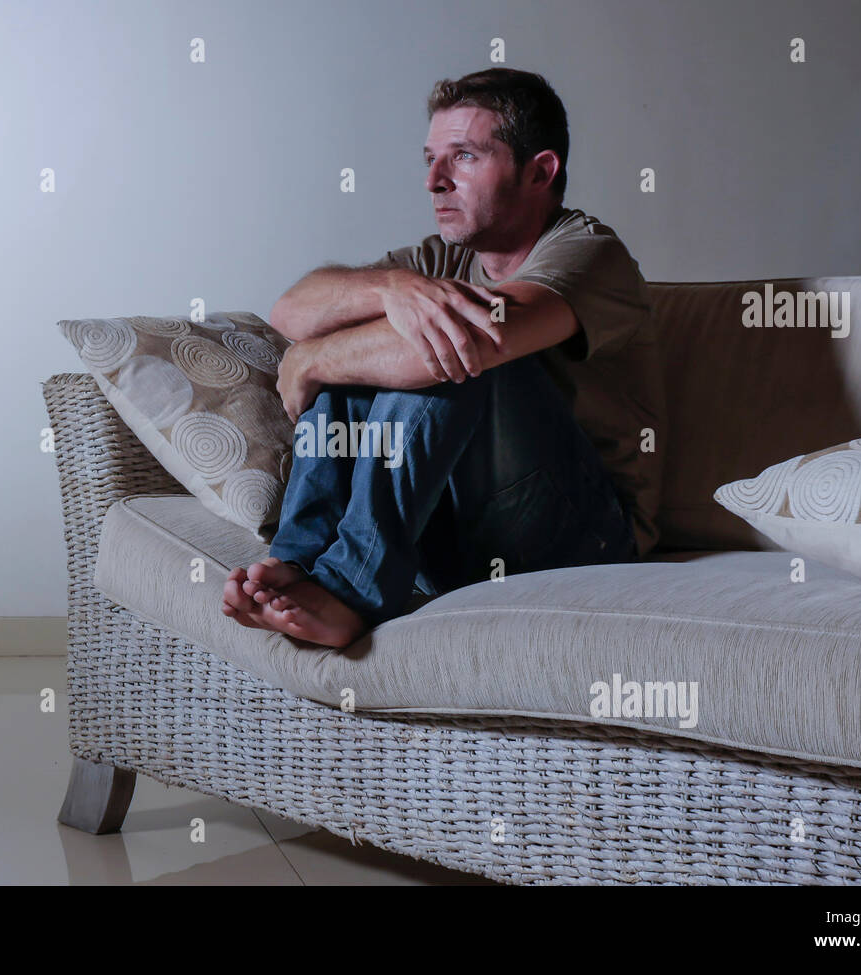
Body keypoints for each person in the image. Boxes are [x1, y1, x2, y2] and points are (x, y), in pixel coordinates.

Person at [221, 67, 665, 648]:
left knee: (448, 343)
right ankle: (300, 562)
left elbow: (464, 343)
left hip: (583, 541)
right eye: (430, 159)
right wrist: (388, 290)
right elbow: (291, 310)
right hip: (452, 534)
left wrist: (312, 357)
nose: (434, 181)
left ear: (539, 171)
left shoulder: (590, 254)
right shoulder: (439, 261)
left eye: (464, 157)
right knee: (367, 338)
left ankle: (352, 590)